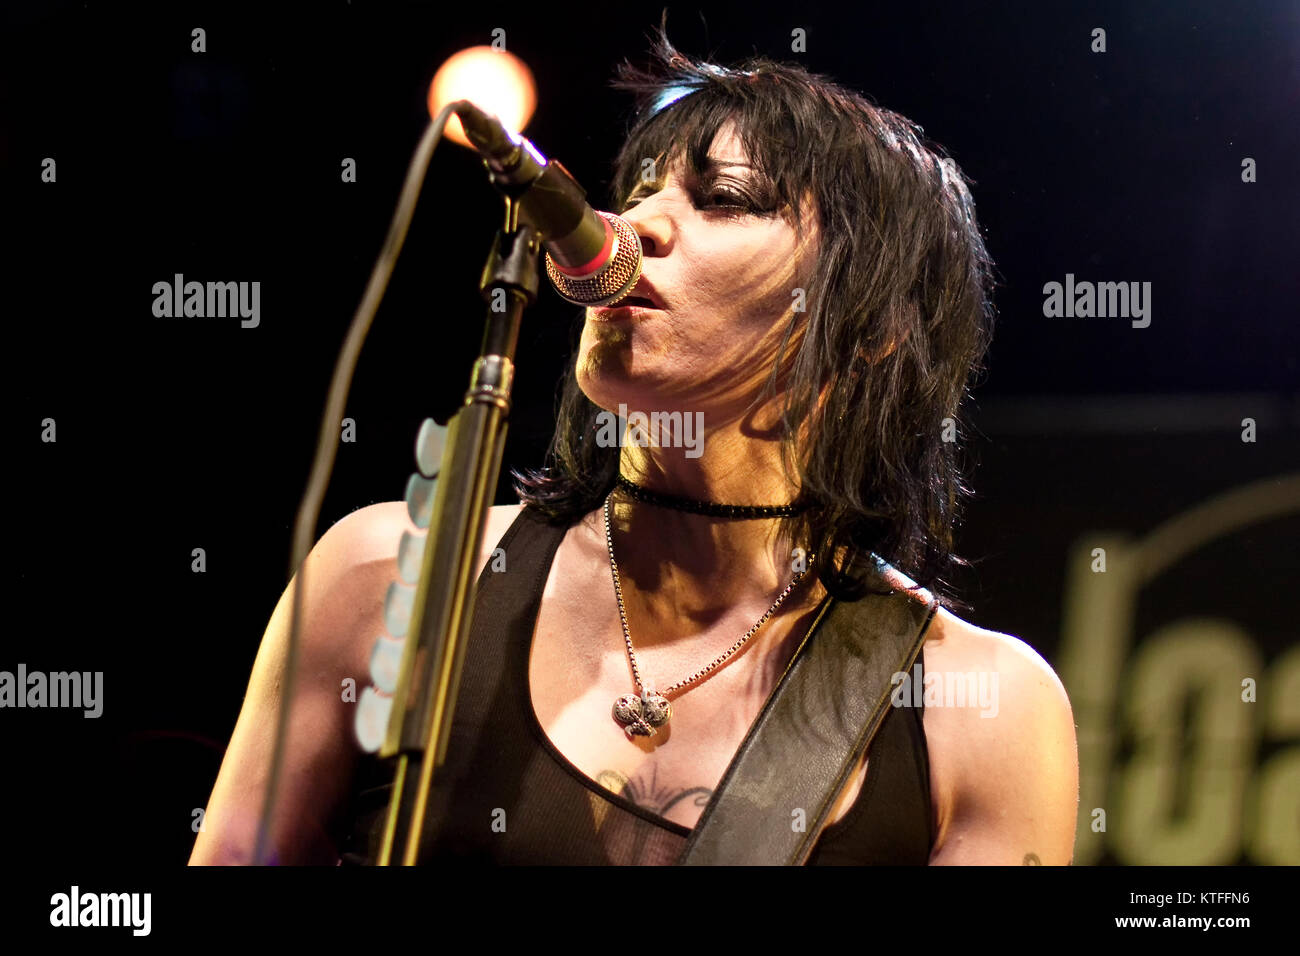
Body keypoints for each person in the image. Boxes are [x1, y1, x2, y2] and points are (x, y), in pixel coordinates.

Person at [189, 31, 1078, 866]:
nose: (637, 220)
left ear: (872, 326)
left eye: (722, 197)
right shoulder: (387, 577)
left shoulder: (984, 711)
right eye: (643, 187)